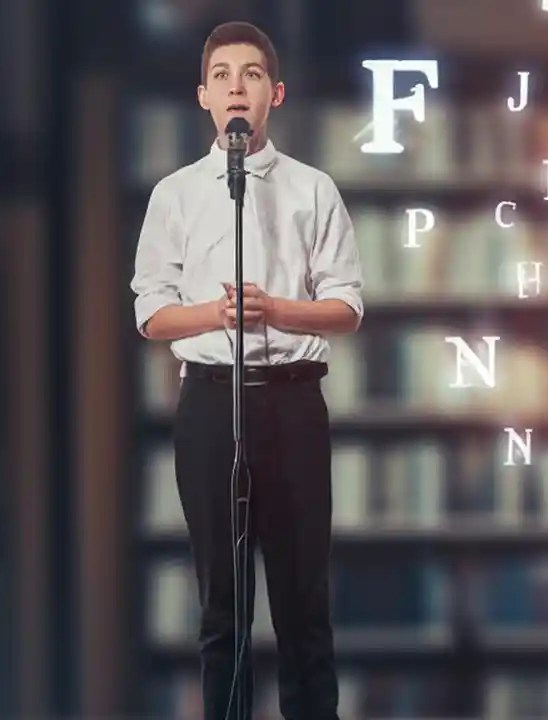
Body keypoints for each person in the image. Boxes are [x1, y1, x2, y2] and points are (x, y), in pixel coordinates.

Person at [130, 20, 362, 720]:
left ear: (276, 94)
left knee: (303, 612)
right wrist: (215, 316)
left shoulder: (314, 189)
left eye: (253, 75)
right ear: (204, 96)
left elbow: (347, 306)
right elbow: (150, 311)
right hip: (208, 404)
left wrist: (277, 311)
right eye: (224, 75)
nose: (238, 86)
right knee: (222, 614)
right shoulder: (174, 194)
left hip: (292, 405)